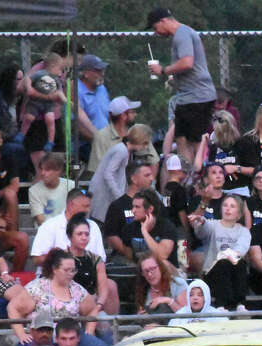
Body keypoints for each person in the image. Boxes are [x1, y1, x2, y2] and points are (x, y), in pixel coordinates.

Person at [147, 7, 217, 166]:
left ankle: (199, 178)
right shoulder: (186, 32)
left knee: (195, 142)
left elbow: (187, 63)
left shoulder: (182, 34)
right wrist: (176, 80)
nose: (156, 32)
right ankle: (186, 178)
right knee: (181, 139)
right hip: (189, 96)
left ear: (163, 21)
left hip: (196, 97)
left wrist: (163, 70)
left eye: (155, 27)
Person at [8, 249, 109, 346]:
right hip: (44, 338)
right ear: (54, 269)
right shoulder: (37, 288)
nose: (71, 274)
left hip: (72, 338)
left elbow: (91, 310)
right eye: (66, 270)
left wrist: (89, 332)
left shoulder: (77, 290)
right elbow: (13, 308)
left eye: (73, 270)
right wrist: (21, 334)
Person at [191, 193, 251, 310]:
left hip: (234, 273)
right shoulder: (213, 225)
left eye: (232, 206)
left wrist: (229, 255)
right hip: (213, 275)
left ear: (239, 214)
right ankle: (221, 305)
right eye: (225, 205)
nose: (228, 209)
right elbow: (201, 231)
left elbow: (241, 249)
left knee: (240, 263)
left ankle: (241, 305)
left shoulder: (243, 231)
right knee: (223, 263)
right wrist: (202, 221)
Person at [89, 124, 154, 224]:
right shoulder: (121, 151)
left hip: (108, 195)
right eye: (145, 143)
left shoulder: (124, 150)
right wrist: (120, 197)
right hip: (103, 196)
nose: (145, 147)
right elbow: (108, 174)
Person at [31, 189, 107, 264]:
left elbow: (101, 259)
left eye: (89, 206)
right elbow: (37, 259)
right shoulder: (49, 226)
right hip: (54, 275)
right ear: (71, 205)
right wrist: (59, 258)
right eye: (85, 206)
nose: (88, 210)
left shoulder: (93, 226)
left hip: (88, 274)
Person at [89, 96, 158, 173]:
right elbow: (97, 170)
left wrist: (148, 181)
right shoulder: (101, 136)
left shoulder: (139, 132)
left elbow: (154, 162)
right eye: (132, 112)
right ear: (123, 116)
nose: (135, 114)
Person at [19, 52, 66, 160]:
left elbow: (59, 92)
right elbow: (26, 81)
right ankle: (21, 135)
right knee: (29, 117)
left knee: (50, 119)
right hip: (36, 109)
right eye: (60, 69)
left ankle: (50, 141)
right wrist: (30, 88)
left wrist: (65, 100)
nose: (61, 72)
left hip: (49, 108)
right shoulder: (40, 72)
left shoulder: (57, 78)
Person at [121, 189, 179, 268]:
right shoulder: (130, 228)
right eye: (133, 206)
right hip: (142, 272)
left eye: (137, 207)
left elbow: (162, 256)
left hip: (167, 273)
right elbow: (128, 256)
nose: (133, 211)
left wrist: (144, 231)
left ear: (150, 209)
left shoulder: (167, 227)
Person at [74, 54, 111, 148]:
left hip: (105, 141)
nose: (102, 73)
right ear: (85, 74)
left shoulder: (102, 89)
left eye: (103, 70)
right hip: (84, 145)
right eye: (98, 71)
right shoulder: (75, 91)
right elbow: (77, 127)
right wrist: (99, 140)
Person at [28, 153, 74, 225]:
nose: (43, 173)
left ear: (59, 171)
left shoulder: (71, 185)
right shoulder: (33, 191)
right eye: (42, 169)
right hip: (47, 231)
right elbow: (41, 220)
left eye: (47, 170)